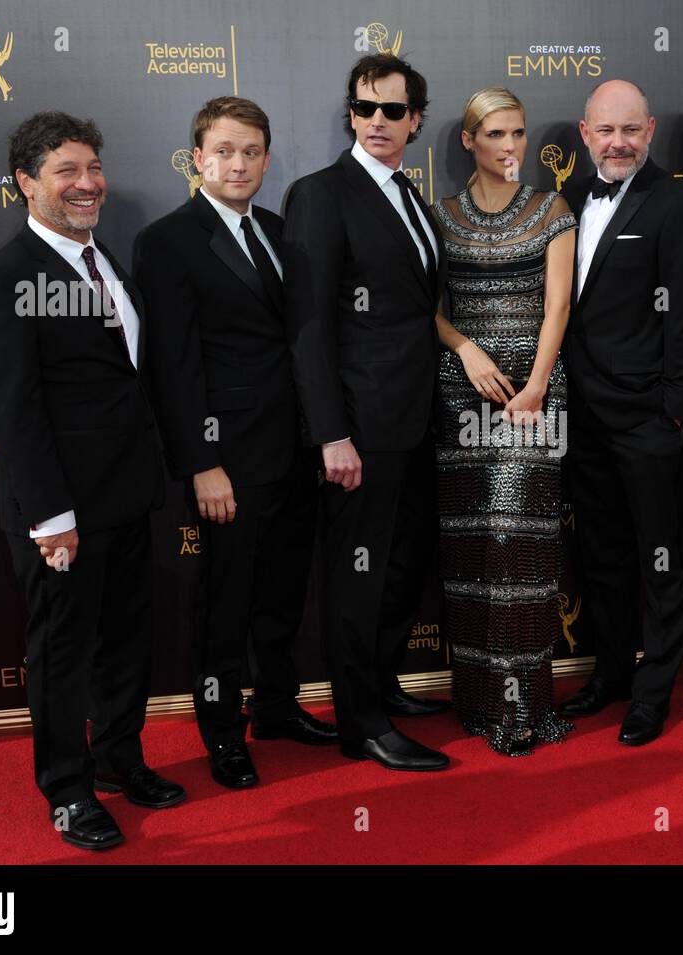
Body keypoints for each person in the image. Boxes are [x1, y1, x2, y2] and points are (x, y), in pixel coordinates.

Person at [0, 112, 184, 850]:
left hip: (127, 499)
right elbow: (12, 410)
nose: (87, 183)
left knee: (126, 643)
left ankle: (120, 759)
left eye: (93, 167)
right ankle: (66, 790)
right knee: (61, 658)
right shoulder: (2, 279)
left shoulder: (107, 261)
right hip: (60, 514)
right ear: (26, 183)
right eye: (66, 171)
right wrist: (52, 515)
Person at [134, 97, 335, 791]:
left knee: (282, 593)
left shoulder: (281, 232)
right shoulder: (167, 242)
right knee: (226, 603)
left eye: (251, 151)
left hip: (292, 453)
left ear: (267, 159)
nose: (238, 163)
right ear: (198, 158)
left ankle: (275, 708)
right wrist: (202, 463)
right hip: (227, 462)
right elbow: (174, 367)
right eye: (223, 150)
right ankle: (222, 733)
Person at [283, 54, 450, 771]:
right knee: (358, 575)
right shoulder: (322, 194)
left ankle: (382, 682)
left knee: (403, 565)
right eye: (364, 108)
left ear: (416, 118)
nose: (377, 121)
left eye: (392, 110)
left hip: (415, 422)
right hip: (358, 428)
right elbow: (309, 326)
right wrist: (331, 433)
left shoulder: (411, 195)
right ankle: (361, 722)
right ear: (350, 114)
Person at [556, 80, 683, 746]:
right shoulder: (566, 201)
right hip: (583, 418)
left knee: (660, 561)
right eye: (604, 131)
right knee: (603, 557)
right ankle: (611, 675)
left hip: (648, 418)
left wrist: (674, 411)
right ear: (585, 135)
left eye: (629, 130)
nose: (617, 143)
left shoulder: (676, 202)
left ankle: (652, 694)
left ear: (649, 131)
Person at [431, 87, 577, 755]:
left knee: (518, 547)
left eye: (518, 133)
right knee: (474, 550)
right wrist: (465, 349)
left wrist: (537, 386)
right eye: (495, 134)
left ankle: (522, 708)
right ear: (470, 141)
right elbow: (428, 306)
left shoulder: (552, 207)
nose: (511, 146)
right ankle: (480, 703)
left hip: (534, 395)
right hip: (465, 393)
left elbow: (557, 307)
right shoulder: (442, 216)